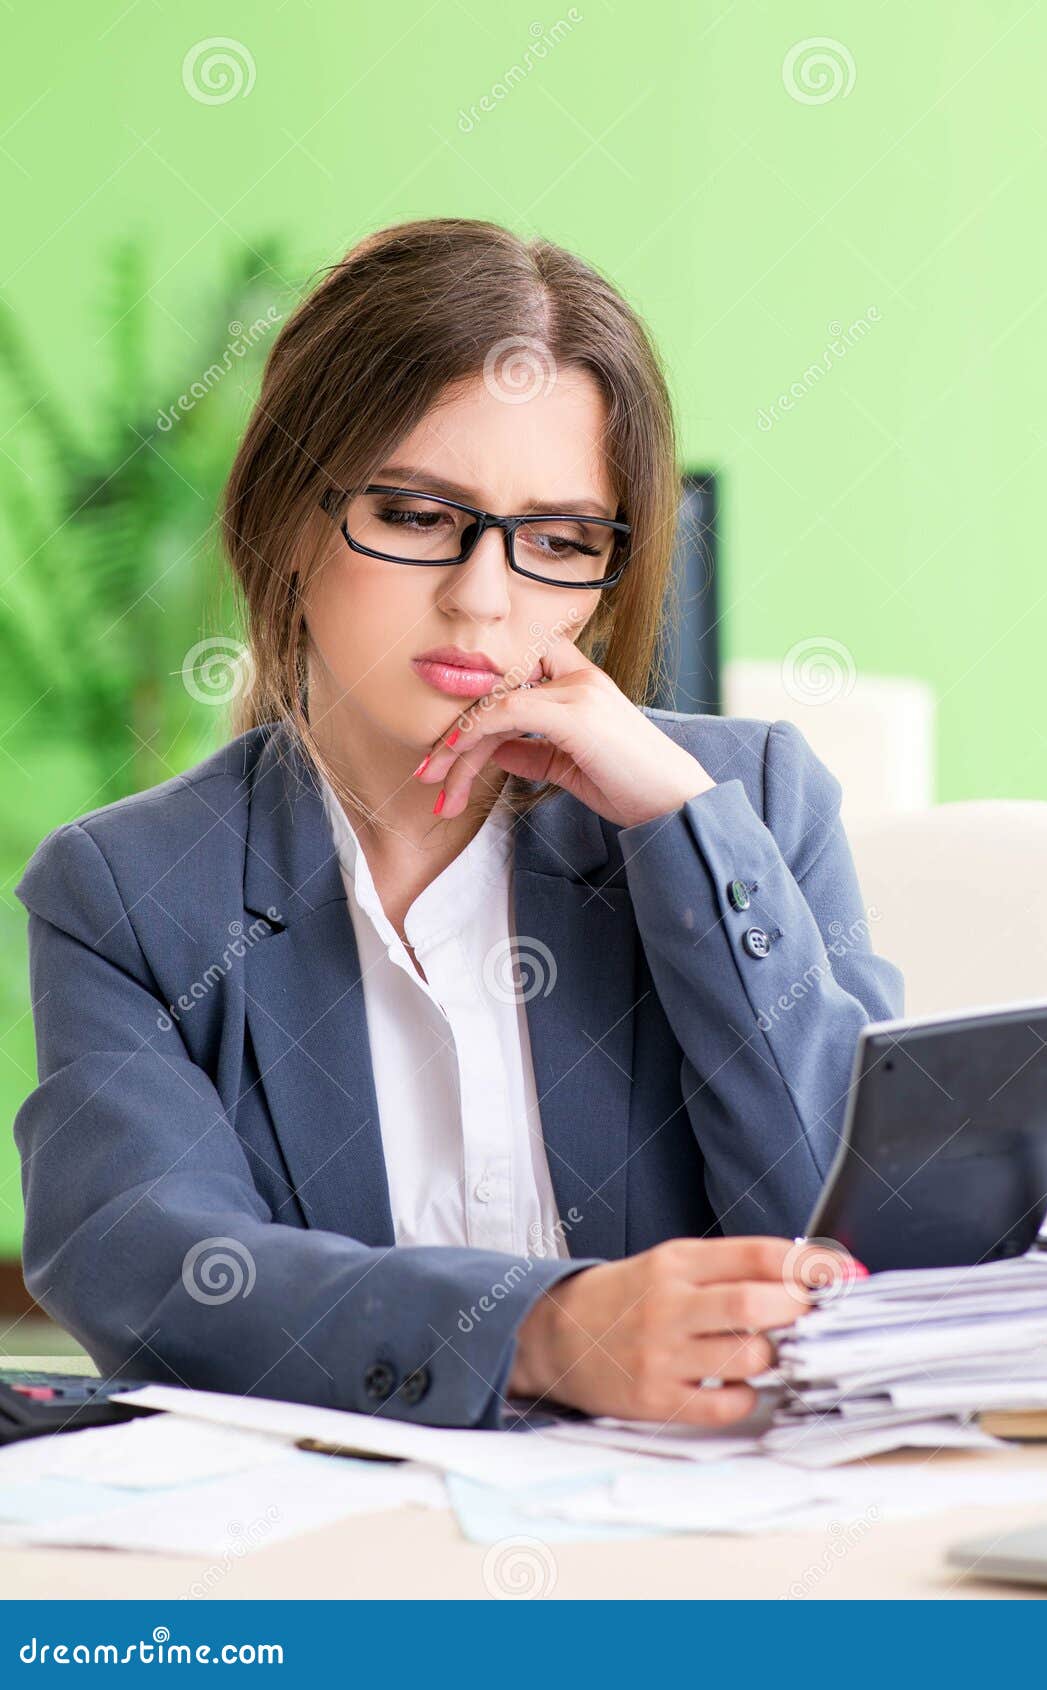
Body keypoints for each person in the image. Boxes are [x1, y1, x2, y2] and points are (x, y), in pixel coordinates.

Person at [13, 218, 904, 1431]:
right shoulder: (129, 889)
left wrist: (681, 830)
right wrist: (546, 1330)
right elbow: (150, 1263)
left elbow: (858, 1235)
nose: (483, 597)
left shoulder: (745, 806)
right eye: (420, 515)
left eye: (558, 540)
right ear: (286, 517)